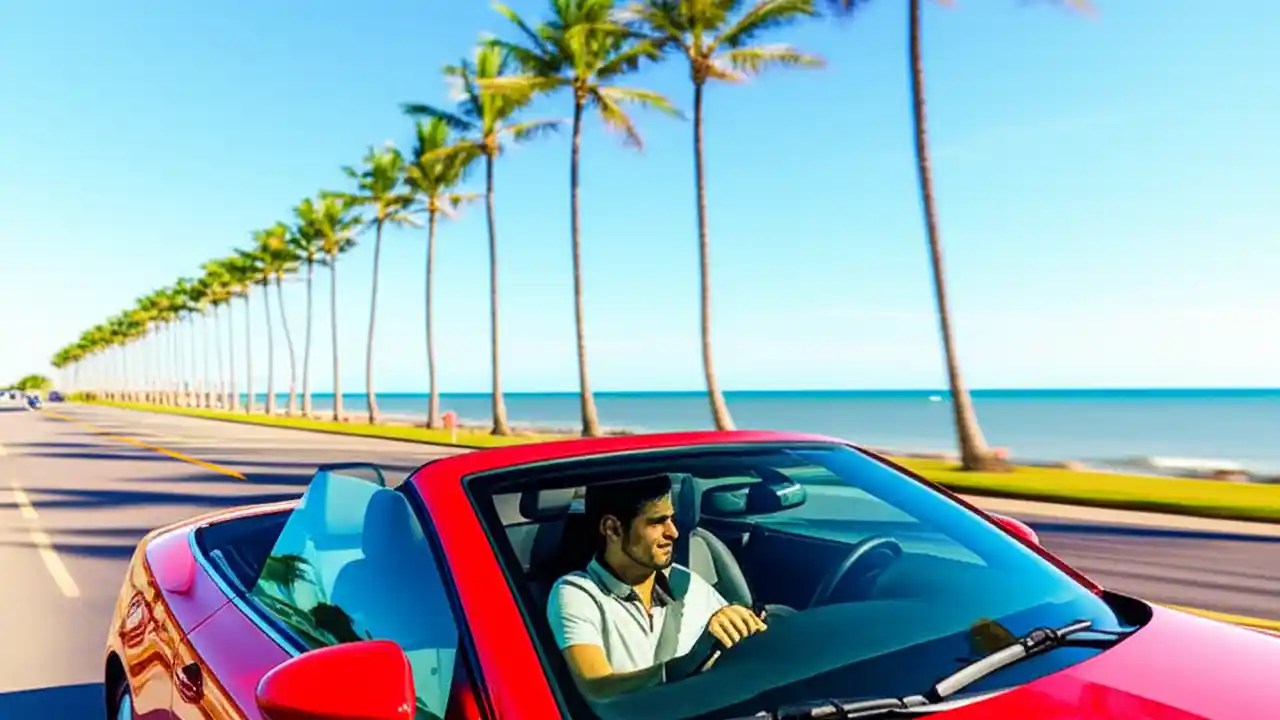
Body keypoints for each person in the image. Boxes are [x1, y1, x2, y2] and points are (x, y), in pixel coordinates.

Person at [546, 474, 767, 699]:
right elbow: (598, 688)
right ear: (612, 529)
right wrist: (690, 662)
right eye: (657, 522)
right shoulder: (578, 594)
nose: (673, 532)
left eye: (672, 518)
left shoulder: (686, 582)